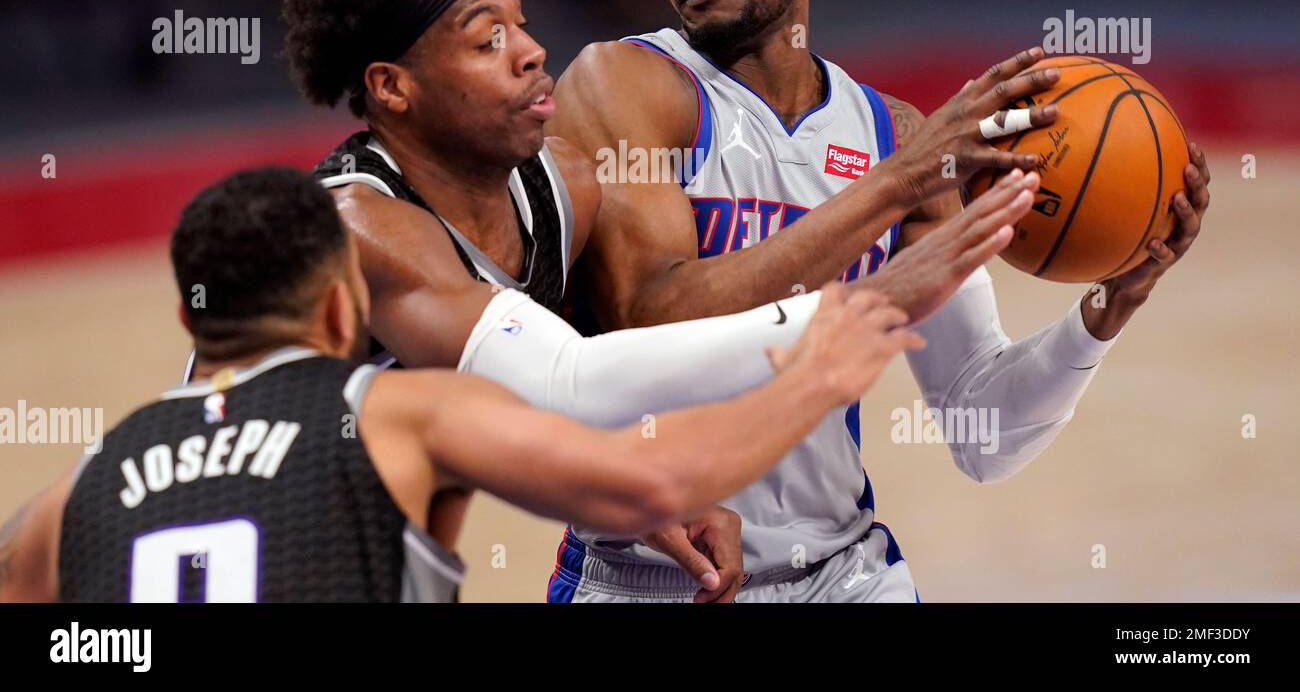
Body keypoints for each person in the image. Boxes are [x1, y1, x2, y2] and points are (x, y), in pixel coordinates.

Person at [273, 0, 1044, 599]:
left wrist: (637, 497)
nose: (533, 53)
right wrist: (861, 303)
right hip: (257, 527)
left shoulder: (560, 186)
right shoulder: (362, 222)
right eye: (488, 40)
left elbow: (542, 395)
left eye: (523, 23)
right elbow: (564, 383)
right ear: (392, 87)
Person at [544, 0, 1212, 602]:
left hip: (845, 574)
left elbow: (986, 432)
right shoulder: (625, 83)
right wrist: (894, 186)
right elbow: (655, 321)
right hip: (651, 577)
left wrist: (1109, 306)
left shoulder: (890, 131)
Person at [0, 166, 927, 603]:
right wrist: (815, 377)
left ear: (188, 325)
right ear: (340, 314)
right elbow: (653, 481)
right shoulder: (400, 415)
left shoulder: (69, 501)